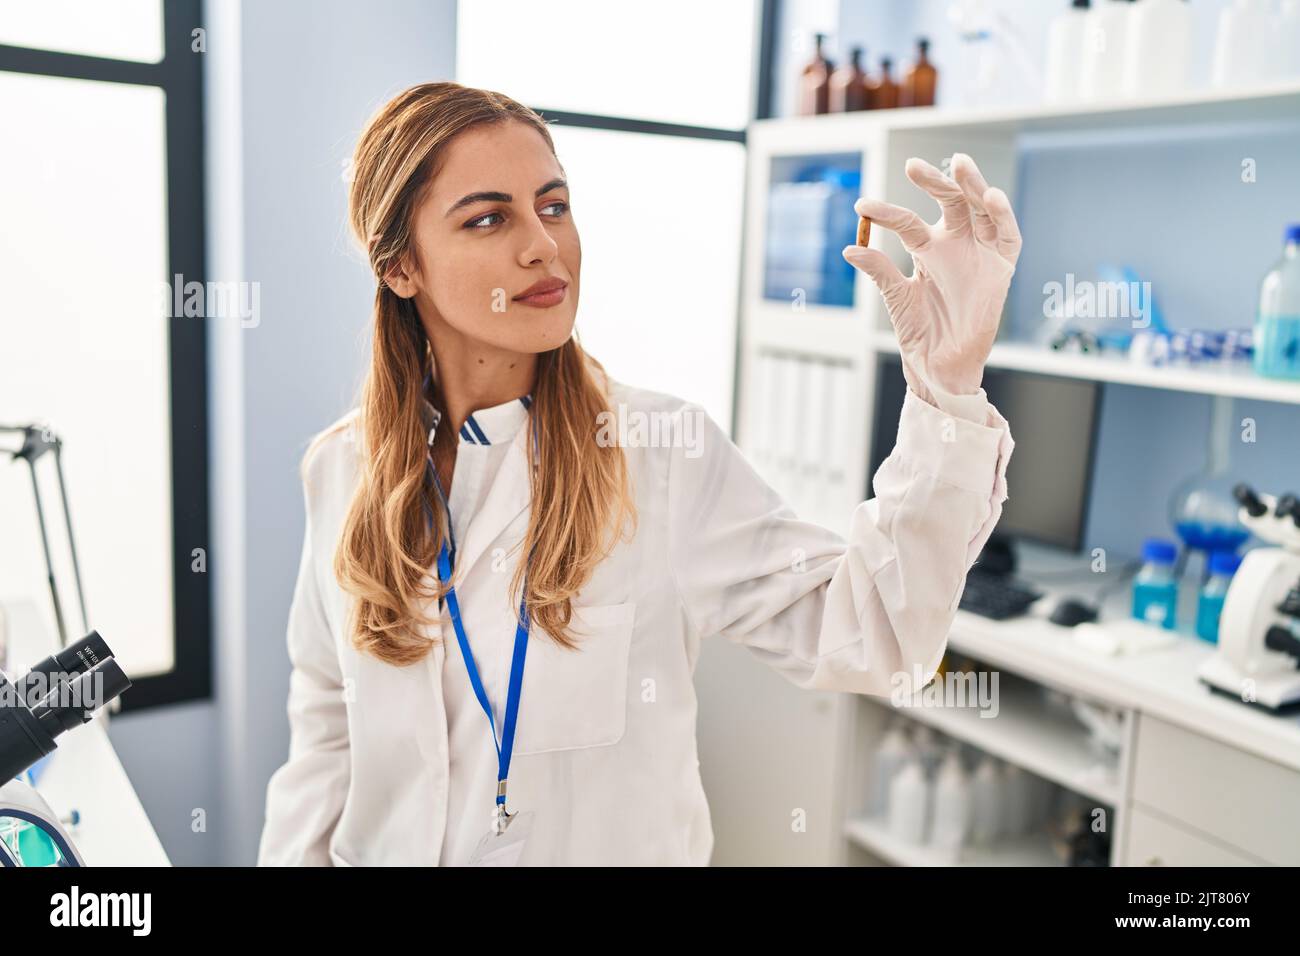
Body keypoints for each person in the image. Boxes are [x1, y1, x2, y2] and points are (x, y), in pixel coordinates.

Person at [257, 81, 1018, 866]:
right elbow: (324, 730)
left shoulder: (661, 454)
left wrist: (946, 389)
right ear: (401, 267)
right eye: (488, 218)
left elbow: (881, 637)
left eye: (553, 206)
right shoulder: (340, 470)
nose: (542, 245)